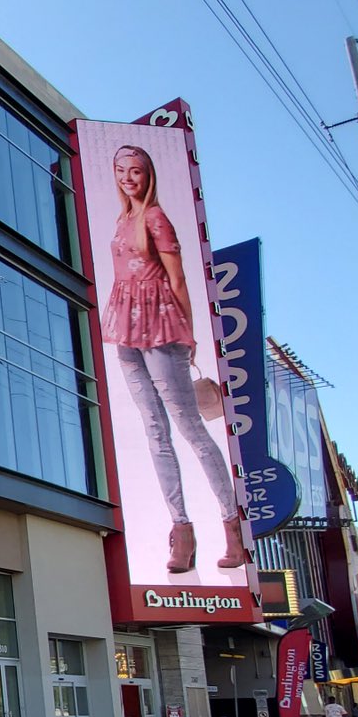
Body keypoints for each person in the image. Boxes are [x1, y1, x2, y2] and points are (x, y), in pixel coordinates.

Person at [101, 144, 244, 574]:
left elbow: (178, 277)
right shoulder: (123, 218)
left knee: (190, 428)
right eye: (122, 171)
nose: (129, 178)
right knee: (154, 431)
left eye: (137, 171)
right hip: (126, 328)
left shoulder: (156, 218)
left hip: (162, 329)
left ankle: (232, 524)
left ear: (149, 175)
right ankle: (181, 529)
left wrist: (189, 334)